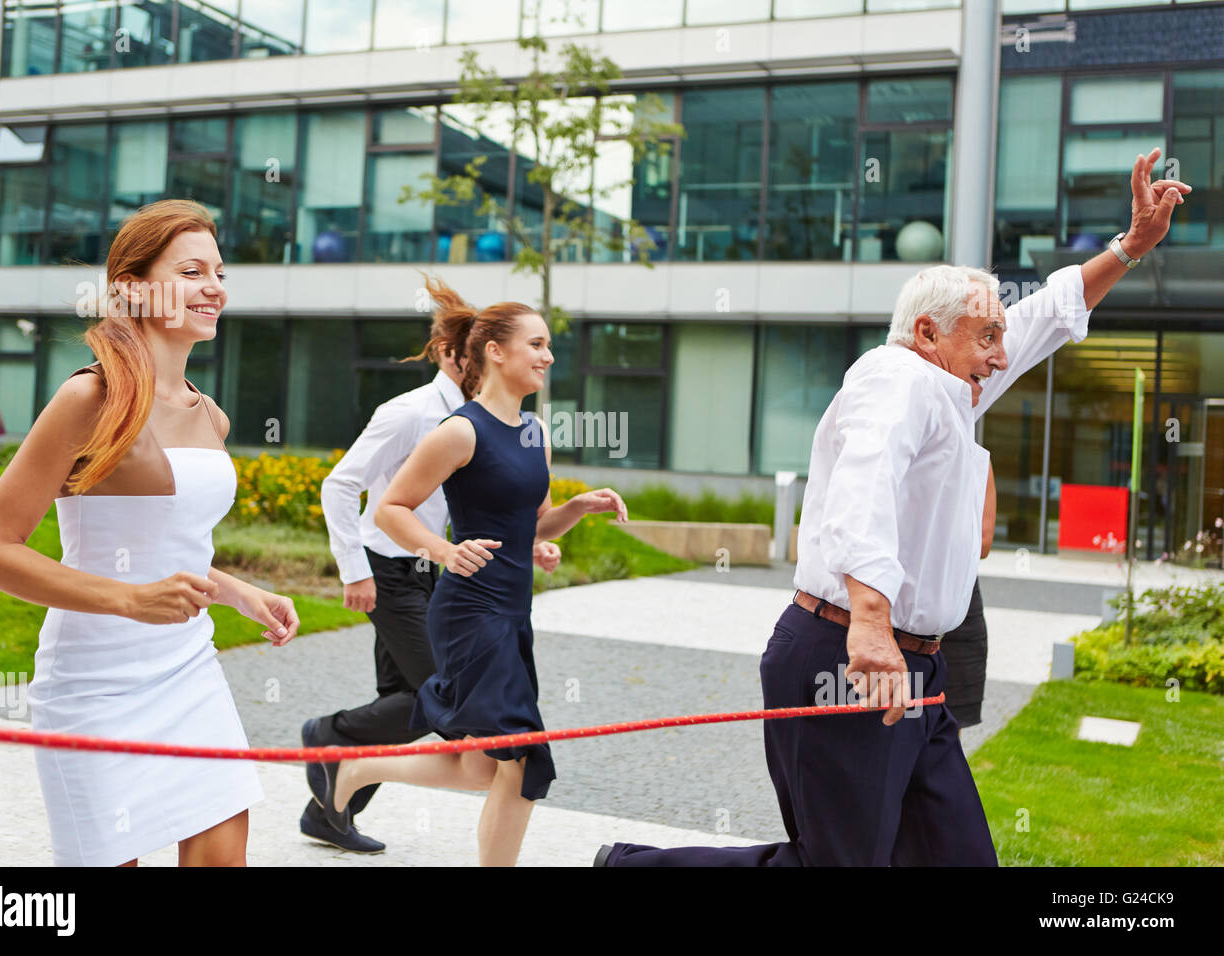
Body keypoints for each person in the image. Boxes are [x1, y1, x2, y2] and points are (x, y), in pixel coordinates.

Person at [599, 149, 1189, 866]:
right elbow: (862, 486)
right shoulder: (896, 376)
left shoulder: (954, 387)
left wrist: (1128, 248)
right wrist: (873, 625)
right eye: (987, 337)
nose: (1002, 356)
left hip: (918, 675)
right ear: (928, 334)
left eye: (1000, 338)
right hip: (849, 658)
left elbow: (1044, 317)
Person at [0, 198, 300, 867]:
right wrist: (128, 600)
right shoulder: (88, 400)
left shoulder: (212, 417)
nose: (214, 287)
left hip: (189, 671)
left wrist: (238, 593)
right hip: (95, 686)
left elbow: (171, 547)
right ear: (132, 289)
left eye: (220, 272)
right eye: (192, 271)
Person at [306, 277, 627, 866]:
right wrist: (443, 550)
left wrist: (574, 513)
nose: (548, 356)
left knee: (484, 766)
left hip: (513, 613)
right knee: (529, 761)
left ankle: (360, 765)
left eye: (549, 345)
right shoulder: (459, 430)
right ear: (495, 352)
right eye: (536, 343)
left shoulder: (534, 434)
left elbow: (531, 523)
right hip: (469, 612)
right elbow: (390, 508)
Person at [302, 339, 562, 852]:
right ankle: (329, 738)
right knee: (443, 705)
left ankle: (334, 796)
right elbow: (342, 486)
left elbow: (504, 507)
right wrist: (355, 572)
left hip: (441, 574)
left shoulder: (502, 423)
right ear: (455, 355)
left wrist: (534, 541)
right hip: (392, 570)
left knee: (446, 730)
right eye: (533, 344)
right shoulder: (411, 412)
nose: (543, 356)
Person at [941, 463, 995, 731]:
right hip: (903, 600)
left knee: (951, 717)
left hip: (957, 595)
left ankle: (945, 772)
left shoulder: (975, 458)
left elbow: (983, 542)